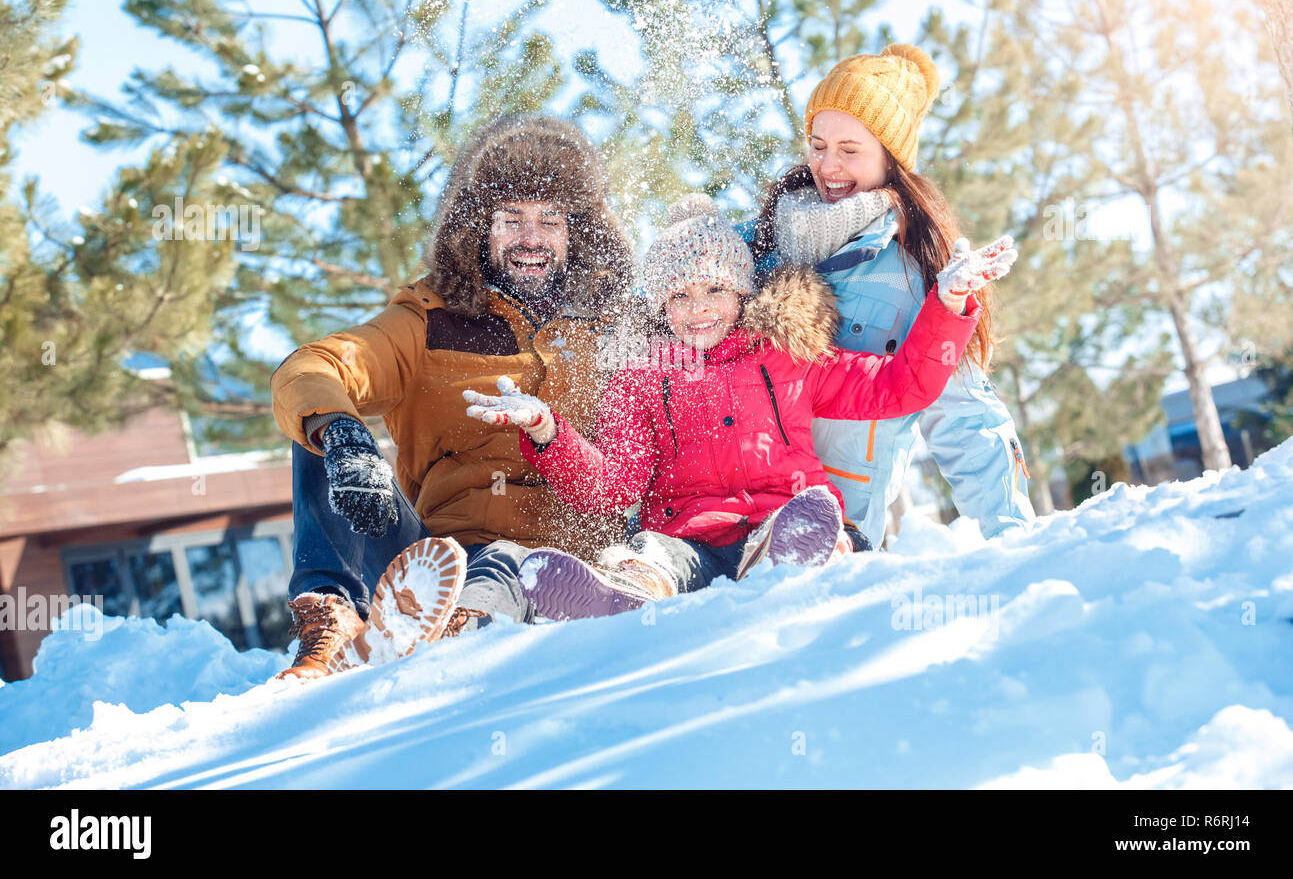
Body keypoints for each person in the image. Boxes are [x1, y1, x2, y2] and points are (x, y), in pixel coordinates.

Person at [463, 194, 1016, 620]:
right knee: (651, 555)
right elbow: (614, 486)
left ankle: (797, 557)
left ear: (742, 292)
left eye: (714, 291)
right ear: (660, 306)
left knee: (809, 521)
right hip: (689, 543)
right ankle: (624, 592)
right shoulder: (642, 378)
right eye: (678, 296)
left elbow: (902, 386)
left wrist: (947, 304)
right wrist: (546, 431)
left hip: (783, 521)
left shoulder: (789, 356)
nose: (698, 309)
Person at [268, 114, 633, 678]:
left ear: (576, 231)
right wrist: (343, 436)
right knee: (320, 418)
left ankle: (479, 623)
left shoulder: (618, 324)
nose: (532, 239)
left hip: (576, 571)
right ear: (477, 228)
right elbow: (315, 366)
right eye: (511, 219)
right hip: (440, 565)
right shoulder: (428, 321)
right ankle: (336, 616)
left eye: (550, 220)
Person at [741, 44, 1036, 550]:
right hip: (728, 508)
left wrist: (1013, 537)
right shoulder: (756, 246)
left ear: (890, 159)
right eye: (817, 145)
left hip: (835, 531)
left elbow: (967, 419)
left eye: (850, 150)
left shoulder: (917, 273)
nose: (827, 165)